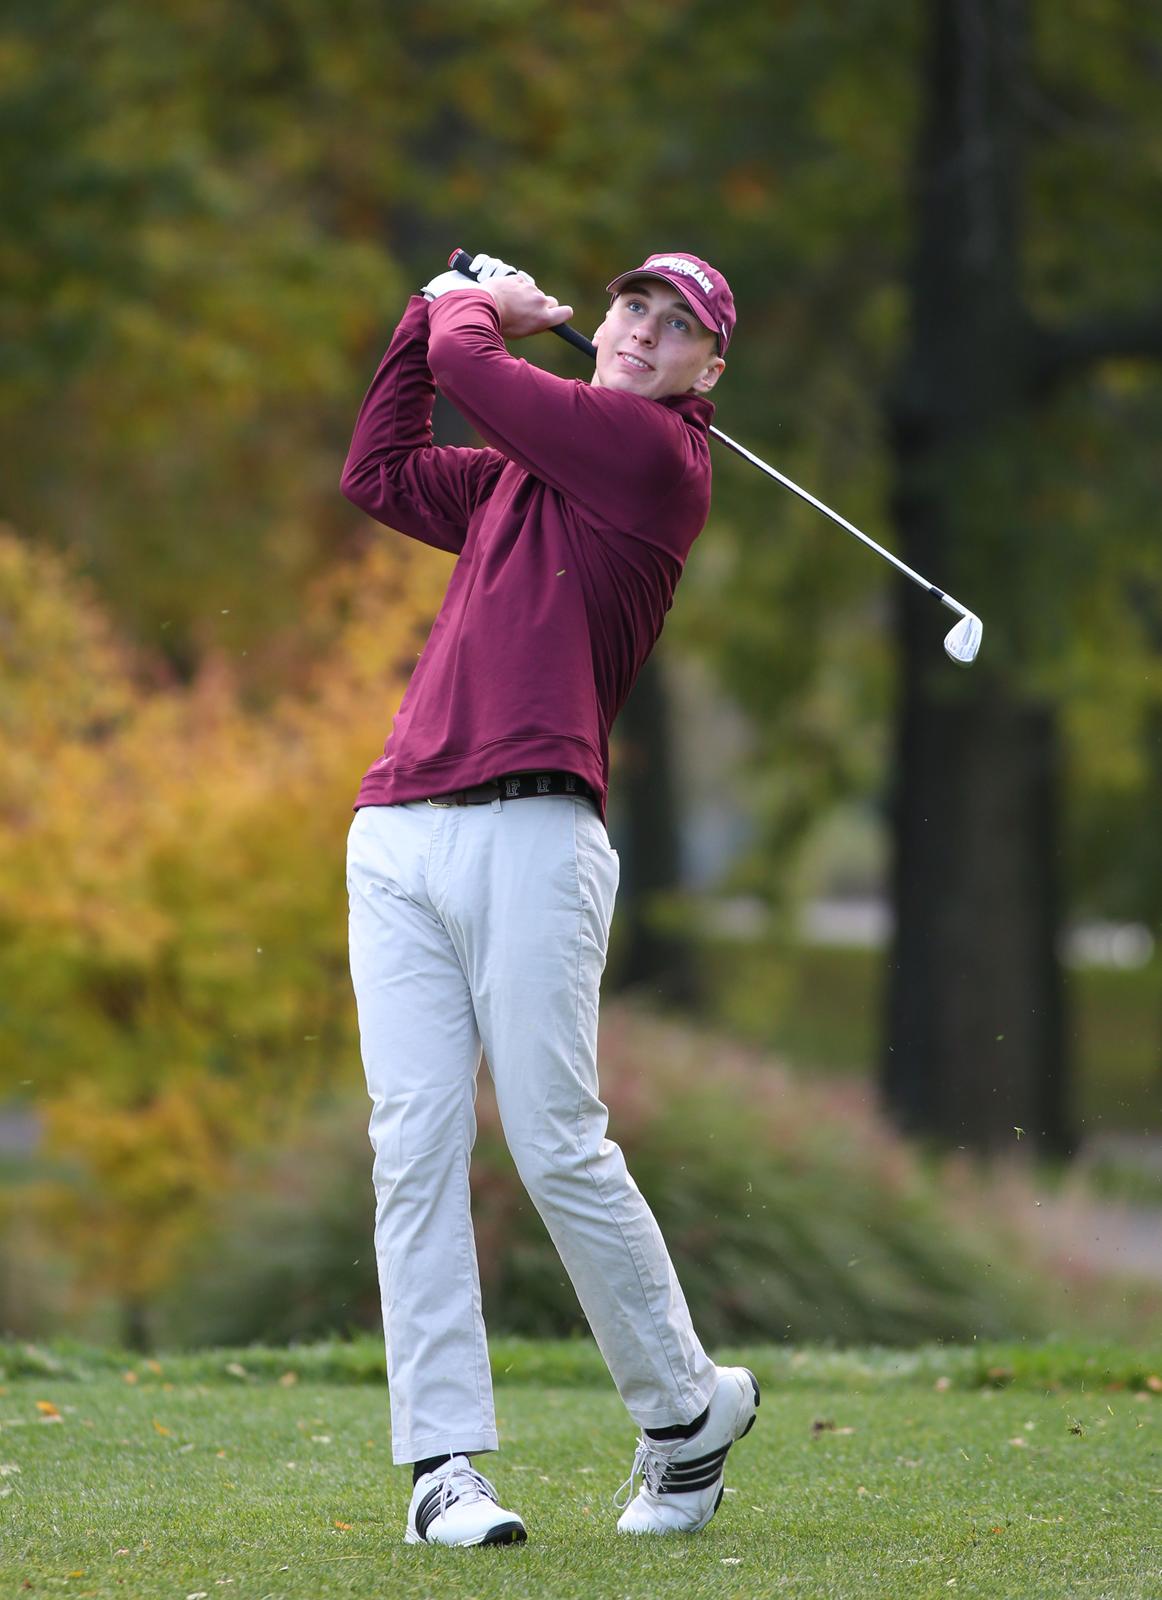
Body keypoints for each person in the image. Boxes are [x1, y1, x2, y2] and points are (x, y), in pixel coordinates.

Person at [341, 249, 759, 1548]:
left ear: (705, 373)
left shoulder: (653, 463)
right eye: (630, 305)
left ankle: (686, 1414)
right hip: (398, 828)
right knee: (411, 1151)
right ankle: (441, 1475)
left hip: (534, 830)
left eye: (672, 325)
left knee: (554, 1144)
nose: (638, 329)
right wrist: (426, 318)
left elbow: (473, 365)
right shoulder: (528, 470)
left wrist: (471, 310)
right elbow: (381, 468)